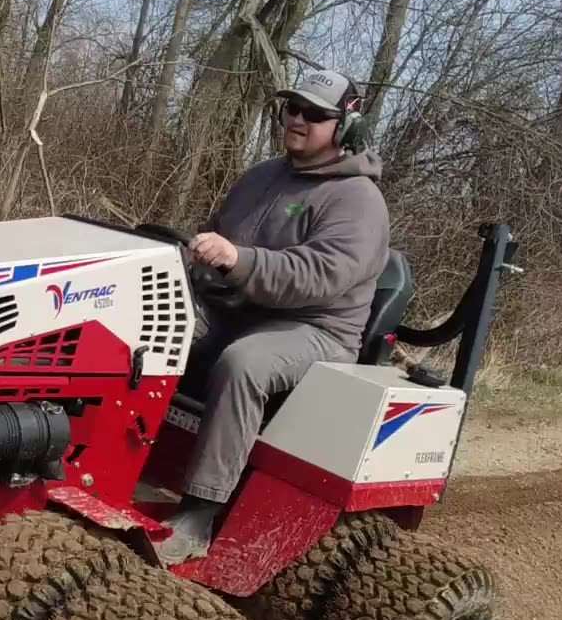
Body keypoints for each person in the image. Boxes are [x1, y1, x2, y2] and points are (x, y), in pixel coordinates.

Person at [156, 66, 391, 564]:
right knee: (155, 320)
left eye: (315, 114)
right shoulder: (261, 175)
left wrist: (239, 260)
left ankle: (199, 514)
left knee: (246, 364)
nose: (298, 119)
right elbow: (218, 235)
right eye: (293, 108)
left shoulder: (359, 200)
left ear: (346, 126)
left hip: (316, 328)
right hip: (238, 308)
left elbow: (318, 276)